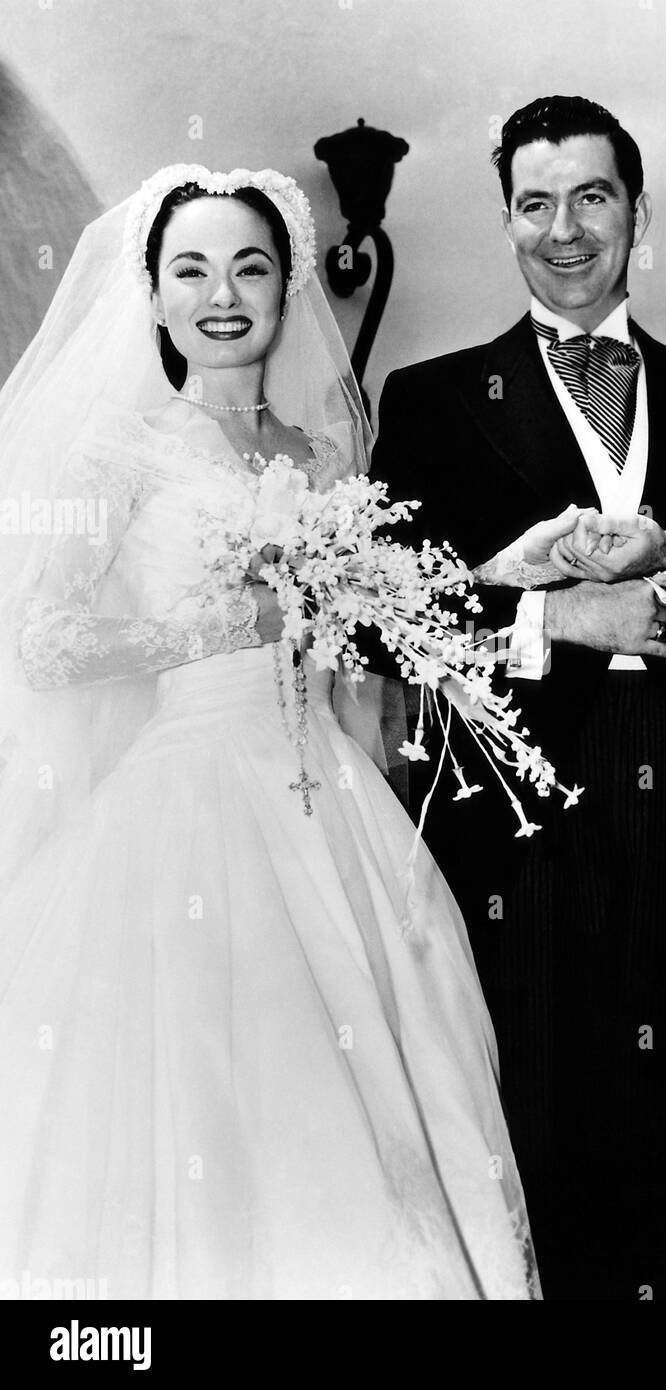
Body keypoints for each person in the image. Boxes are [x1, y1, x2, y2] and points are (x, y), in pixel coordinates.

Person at [0, 164, 538, 1300]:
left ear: (289, 286)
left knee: (385, 1080)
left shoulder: (318, 457)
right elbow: (44, 643)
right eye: (190, 269)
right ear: (151, 297)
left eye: (250, 265)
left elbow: (368, 628)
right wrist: (215, 623)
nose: (223, 293)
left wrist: (493, 583)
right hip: (191, 796)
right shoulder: (120, 452)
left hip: (326, 794)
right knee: (227, 1099)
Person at [371, 96, 666, 1299]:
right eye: (535, 202)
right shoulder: (433, 399)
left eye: (592, 196)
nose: (565, 229)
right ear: (506, 219)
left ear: (636, 213)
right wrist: (552, 616)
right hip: (518, 827)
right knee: (533, 1135)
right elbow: (388, 619)